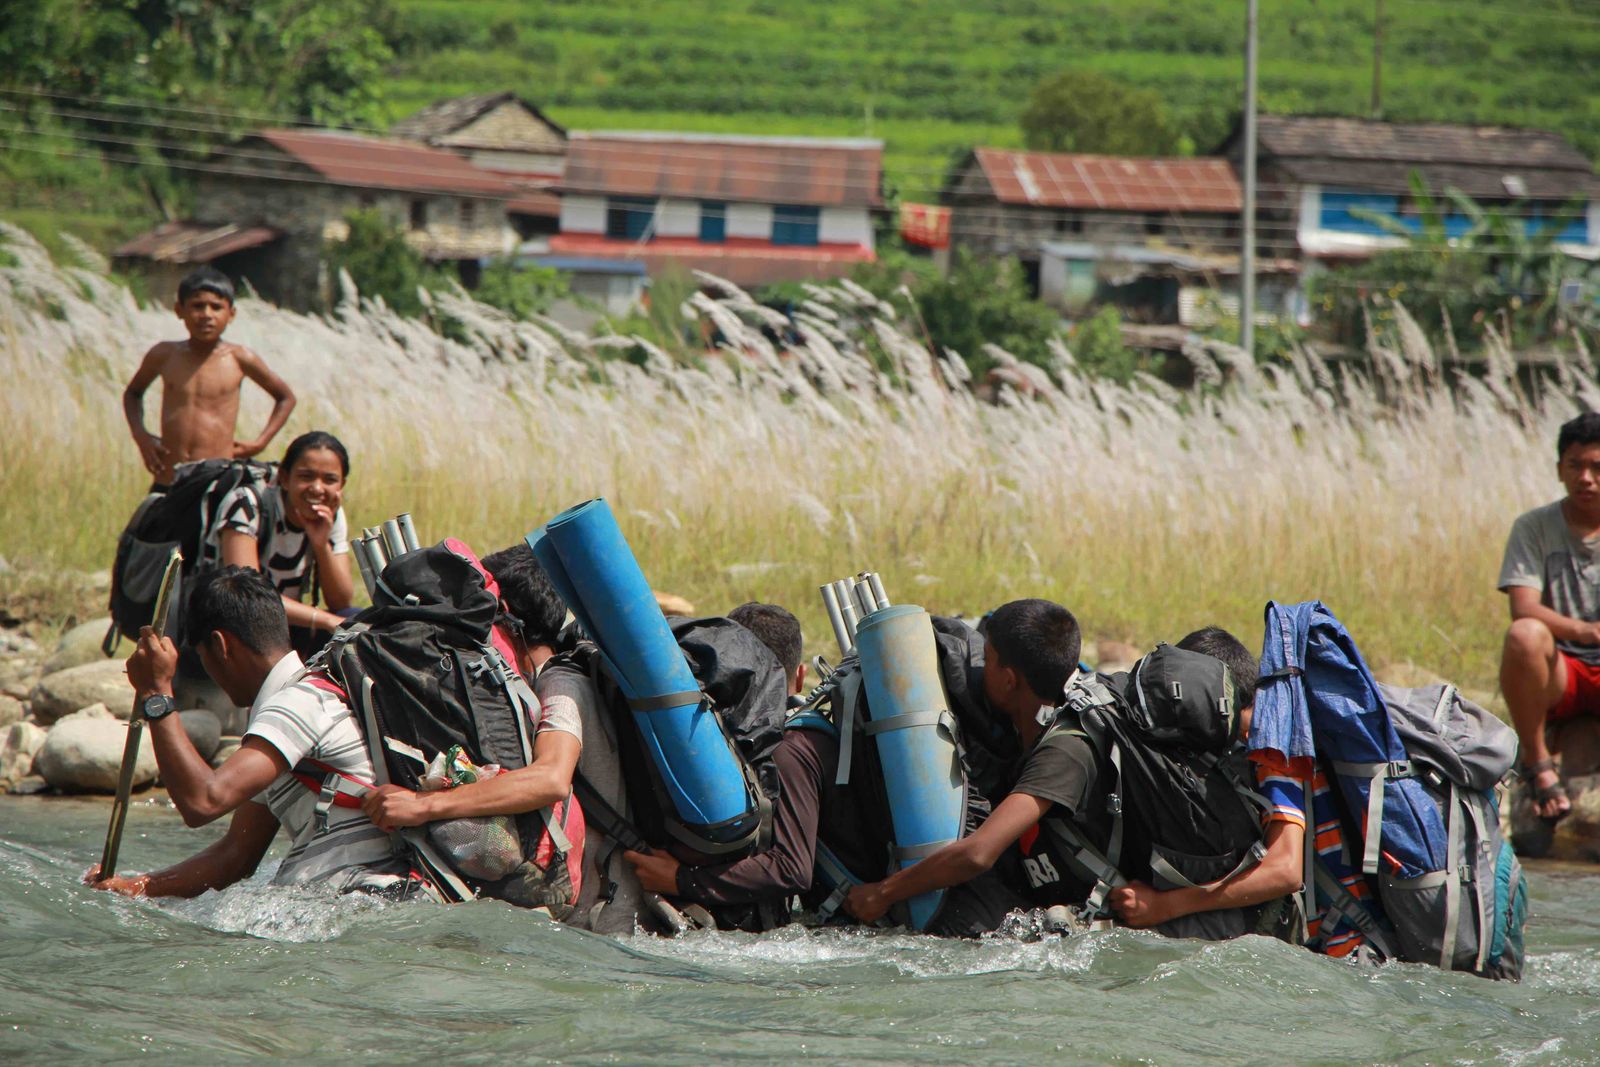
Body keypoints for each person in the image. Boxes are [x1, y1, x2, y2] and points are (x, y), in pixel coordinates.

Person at [627, 602, 1028, 936]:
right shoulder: (823, 728)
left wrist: (680, 879)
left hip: (893, 923)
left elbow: (789, 870)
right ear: (799, 675)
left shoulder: (789, 748)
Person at [85, 567, 426, 899]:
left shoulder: (296, 705)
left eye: (203, 658)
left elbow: (203, 801)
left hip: (364, 900)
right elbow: (235, 856)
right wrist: (138, 886)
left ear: (221, 646)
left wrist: (157, 693)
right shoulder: (300, 703)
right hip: (365, 900)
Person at [357, 541, 585, 915]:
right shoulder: (510, 687)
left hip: (567, 893)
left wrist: (424, 805)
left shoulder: (562, 683)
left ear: (503, 615)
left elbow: (551, 780)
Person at [839, 599, 1086, 925]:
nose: (979, 668)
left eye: (988, 658)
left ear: (1009, 680)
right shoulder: (1023, 726)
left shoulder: (1066, 748)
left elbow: (978, 853)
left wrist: (883, 893)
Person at [1101, 627, 1333, 945]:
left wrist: (1165, 906)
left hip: (1329, 941)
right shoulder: (1247, 735)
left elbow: (1285, 871)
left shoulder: (1273, 745)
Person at [1500, 411, 1600, 821]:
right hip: (1562, 670)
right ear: (1560, 469)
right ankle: (1538, 763)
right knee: (1524, 634)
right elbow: (1523, 606)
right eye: (1576, 466)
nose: (1587, 478)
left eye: (1597, 467)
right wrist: (1585, 631)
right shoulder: (1534, 527)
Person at [123, 267, 295, 489]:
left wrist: (259, 443)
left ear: (231, 314)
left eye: (216, 307)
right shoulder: (164, 354)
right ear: (179, 310)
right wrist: (142, 437)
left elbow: (286, 397)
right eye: (197, 306)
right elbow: (133, 393)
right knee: (143, 525)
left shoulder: (239, 358)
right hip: (169, 478)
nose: (206, 314)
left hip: (216, 480)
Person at [211, 431, 356, 651]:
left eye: (330, 480)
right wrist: (324, 620)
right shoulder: (247, 503)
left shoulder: (331, 513)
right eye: (306, 476)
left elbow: (341, 602)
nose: (317, 488)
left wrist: (320, 544)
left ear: (341, 484)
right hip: (234, 626)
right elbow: (247, 595)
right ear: (285, 478)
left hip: (282, 624)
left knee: (354, 618)